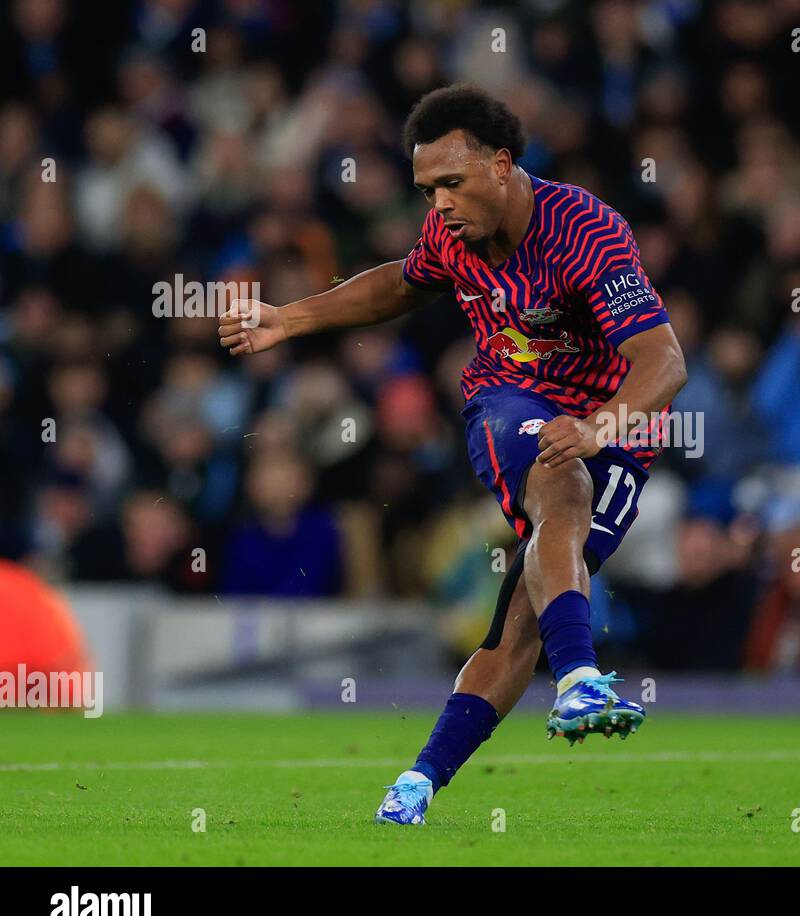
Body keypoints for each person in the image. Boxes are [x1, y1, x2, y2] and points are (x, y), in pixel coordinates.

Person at [215, 84, 687, 825]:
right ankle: (582, 678)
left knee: (525, 616)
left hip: (616, 423)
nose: (437, 204)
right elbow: (398, 287)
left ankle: (418, 781)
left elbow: (663, 362)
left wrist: (601, 425)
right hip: (507, 399)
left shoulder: (584, 230)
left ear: (502, 165)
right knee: (557, 485)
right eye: (426, 188)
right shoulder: (450, 234)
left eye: (451, 183)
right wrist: (291, 318)